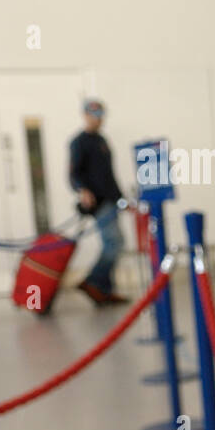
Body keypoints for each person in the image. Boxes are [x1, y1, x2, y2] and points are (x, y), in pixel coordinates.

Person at [69, 98, 127, 305]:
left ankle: (104, 290)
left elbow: (109, 175)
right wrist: (82, 190)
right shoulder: (79, 142)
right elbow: (73, 173)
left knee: (114, 243)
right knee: (114, 243)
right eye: (93, 115)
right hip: (99, 202)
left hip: (111, 200)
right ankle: (93, 281)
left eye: (100, 116)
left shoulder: (102, 141)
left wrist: (122, 200)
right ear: (85, 116)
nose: (97, 120)